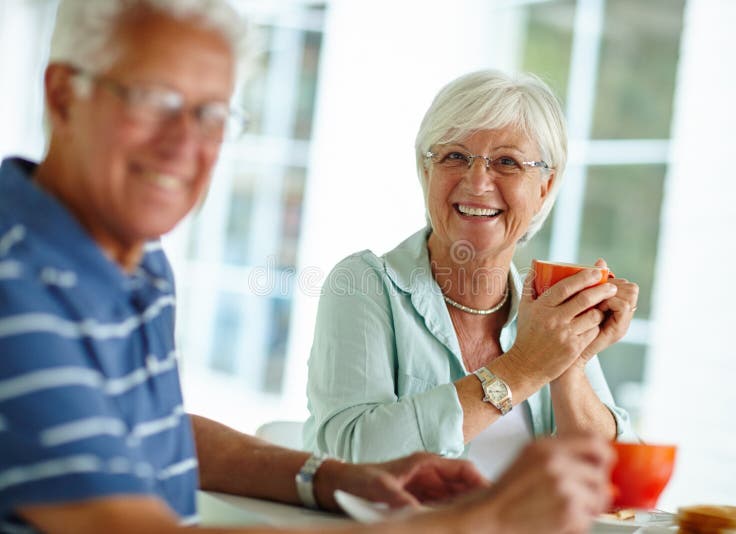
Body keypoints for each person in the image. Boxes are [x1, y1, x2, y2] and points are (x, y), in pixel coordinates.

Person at [0, 1, 612, 533]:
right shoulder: (16, 285)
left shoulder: (133, 259)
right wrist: (478, 521)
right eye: (154, 100)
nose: (184, 144)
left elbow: (150, 431)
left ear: (547, 185)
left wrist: (331, 478)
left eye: (212, 115)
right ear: (63, 95)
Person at [304, 70, 640, 479]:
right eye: (455, 157)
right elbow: (349, 459)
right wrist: (523, 368)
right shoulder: (365, 284)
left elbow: (619, 482)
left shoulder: (548, 309)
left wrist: (567, 361)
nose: (478, 182)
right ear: (426, 172)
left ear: (544, 188)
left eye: (507, 162)